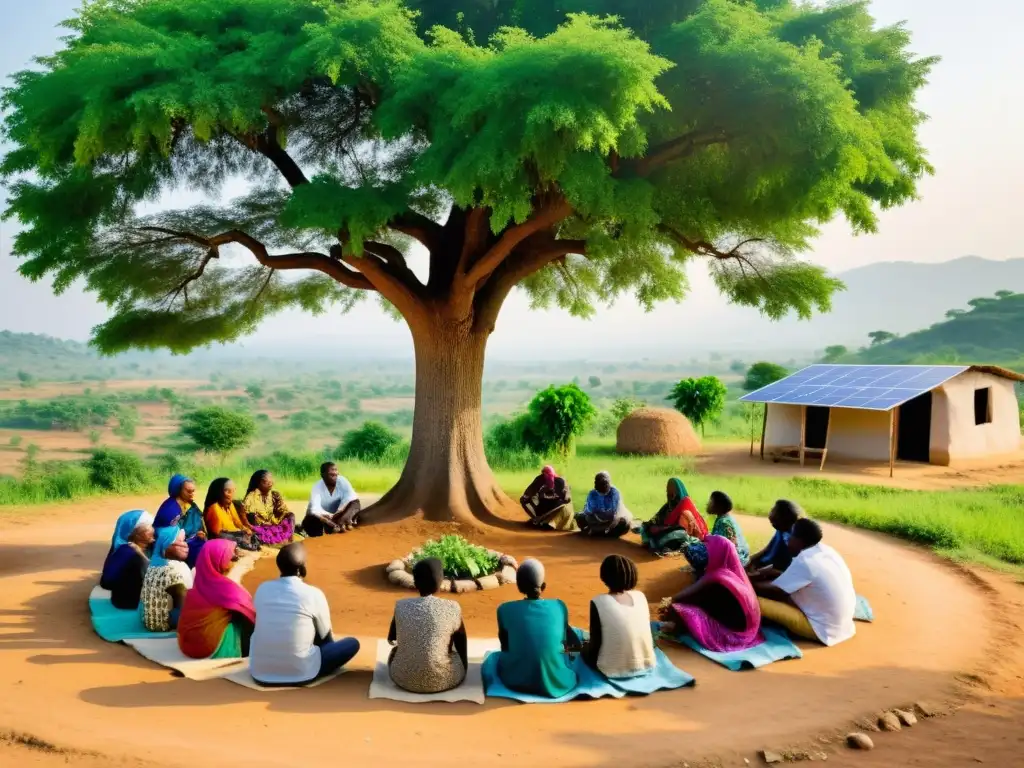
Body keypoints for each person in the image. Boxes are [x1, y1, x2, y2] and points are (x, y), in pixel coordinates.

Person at [250, 543, 360, 686]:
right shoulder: (313, 593)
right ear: (302, 567)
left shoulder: (262, 589)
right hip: (302, 673)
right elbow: (326, 636)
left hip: (260, 671)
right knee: (352, 643)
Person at [754, 519, 856, 646]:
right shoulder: (827, 551)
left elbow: (775, 591)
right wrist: (771, 573)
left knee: (752, 600)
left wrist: (746, 581)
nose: (788, 540)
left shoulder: (805, 561)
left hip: (822, 629)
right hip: (842, 625)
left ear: (799, 540)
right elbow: (799, 579)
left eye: (790, 537)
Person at [659, 535, 762, 653]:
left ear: (717, 552)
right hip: (748, 630)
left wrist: (670, 604)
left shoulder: (718, 576)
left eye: (708, 548)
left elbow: (679, 597)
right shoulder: (732, 575)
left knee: (678, 609)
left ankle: (678, 628)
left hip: (733, 635)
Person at [493, 558, 580, 698]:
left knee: (492, 660)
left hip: (515, 681)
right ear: (543, 586)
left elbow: (505, 647)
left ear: (519, 587)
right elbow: (572, 644)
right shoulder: (559, 606)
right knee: (574, 636)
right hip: (558, 682)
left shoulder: (504, 610)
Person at [387, 558, 468, 694]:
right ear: (441, 581)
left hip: (402, 679)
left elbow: (392, 637)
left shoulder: (401, 606)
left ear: (415, 582)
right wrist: (464, 666)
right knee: (448, 644)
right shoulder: (452, 607)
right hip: (445, 680)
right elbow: (461, 642)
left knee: (394, 651)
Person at [178, 539, 257, 659]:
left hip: (187, 645)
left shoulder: (200, 579)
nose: (234, 561)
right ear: (219, 562)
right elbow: (251, 613)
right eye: (231, 558)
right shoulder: (228, 589)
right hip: (209, 647)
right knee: (247, 619)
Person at [583, 555, 656, 680]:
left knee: (580, 648)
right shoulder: (640, 596)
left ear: (603, 577)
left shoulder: (598, 602)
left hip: (611, 669)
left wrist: (585, 651)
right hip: (648, 664)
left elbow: (596, 643)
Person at [140, 526, 193, 632]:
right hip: (163, 623)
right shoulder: (174, 570)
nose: (184, 545)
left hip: (147, 619)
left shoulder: (153, 563)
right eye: (180, 542)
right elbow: (183, 604)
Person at [100, 510, 156, 610]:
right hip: (130, 602)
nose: (153, 537)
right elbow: (152, 573)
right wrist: (141, 555)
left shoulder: (140, 549)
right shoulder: (127, 553)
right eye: (149, 531)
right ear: (137, 534)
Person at [683, 491, 751, 571]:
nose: (707, 504)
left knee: (689, 549)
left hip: (735, 563)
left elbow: (720, 549)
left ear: (719, 506)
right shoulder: (726, 518)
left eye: (710, 502)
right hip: (741, 559)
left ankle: (706, 571)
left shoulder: (723, 523)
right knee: (696, 545)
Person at [638, 478, 709, 554]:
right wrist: (651, 525)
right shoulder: (669, 505)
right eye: (667, 490)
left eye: (672, 490)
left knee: (669, 537)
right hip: (668, 529)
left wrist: (661, 528)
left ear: (678, 490)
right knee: (645, 527)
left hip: (685, 535)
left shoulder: (685, 505)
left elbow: (680, 529)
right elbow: (658, 517)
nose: (668, 492)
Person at [153, 474, 206, 568]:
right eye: (189, 491)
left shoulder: (189, 505)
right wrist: (191, 537)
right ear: (179, 491)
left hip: (190, 538)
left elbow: (197, 521)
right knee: (200, 551)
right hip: (173, 545)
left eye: (193, 491)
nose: (192, 494)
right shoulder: (170, 510)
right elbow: (168, 537)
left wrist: (199, 532)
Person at [747, 500, 802, 582]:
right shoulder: (781, 530)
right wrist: (749, 560)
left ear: (785, 520)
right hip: (765, 567)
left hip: (776, 572)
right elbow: (767, 549)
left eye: (775, 522)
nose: (773, 525)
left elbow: (792, 573)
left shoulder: (794, 539)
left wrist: (763, 573)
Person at [303, 462, 361, 536]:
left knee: (355, 503)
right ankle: (334, 527)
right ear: (322, 475)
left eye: (336, 474)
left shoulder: (342, 481)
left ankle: (344, 522)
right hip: (323, 517)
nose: (335, 477)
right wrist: (331, 523)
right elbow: (316, 511)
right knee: (311, 516)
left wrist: (339, 515)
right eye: (331, 475)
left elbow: (351, 498)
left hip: (338, 513)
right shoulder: (317, 487)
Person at [203, 477, 260, 552]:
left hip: (234, 534)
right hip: (222, 538)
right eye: (228, 491)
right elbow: (218, 534)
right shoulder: (214, 508)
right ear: (218, 492)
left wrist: (245, 529)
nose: (231, 494)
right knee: (243, 538)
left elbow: (237, 522)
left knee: (252, 535)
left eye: (233, 490)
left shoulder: (230, 505)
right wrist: (239, 535)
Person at [243, 470, 298, 546]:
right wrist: (262, 523)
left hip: (274, 524)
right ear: (259, 483)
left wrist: (283, 513)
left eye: (271, 481)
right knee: (252, 517)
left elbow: (283, 510)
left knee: (291, 515)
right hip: (261, 528)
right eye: (266, 482)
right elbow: (247, 514)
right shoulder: (251, 497)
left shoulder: (274, 495)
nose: (270, 483)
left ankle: (290, 540)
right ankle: (263, 540)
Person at [576, 472, 633, 538]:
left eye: (605, 483)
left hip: (612, 522)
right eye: (601, 484)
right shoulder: (592, 494)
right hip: (595, 521)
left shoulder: (615, 493)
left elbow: (614, 515)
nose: (604, 485)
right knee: (579, 517)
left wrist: (606, 527)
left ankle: (600, 532)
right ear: (596, 485)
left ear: (609, 483)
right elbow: (589, 512)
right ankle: (599, 532)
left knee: (624, 523)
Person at [520, 466, 576, 531]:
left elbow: (567, 499)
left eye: (547, 474)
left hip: (555, 509)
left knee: (565, 507)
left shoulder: (560, 481)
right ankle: (538, 519)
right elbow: (528, 493)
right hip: (542, 508)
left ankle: (542, 520)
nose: (547, 476)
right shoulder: (540, 479)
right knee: (524, 499)